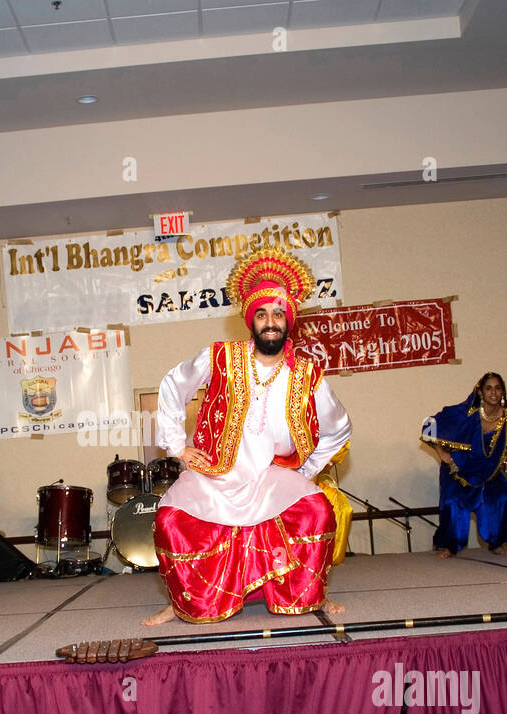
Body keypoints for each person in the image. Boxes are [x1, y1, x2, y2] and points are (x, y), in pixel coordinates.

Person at [143, 246, 352, 625]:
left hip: (269, 477)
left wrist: (306, 471)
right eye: (261, 314)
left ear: (288, 321)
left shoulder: (306, 375)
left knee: (317, 511)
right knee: (170, 521)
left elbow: (338, 429)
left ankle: (312, 594)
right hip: (216, 475)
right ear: (250, 321)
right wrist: (178, 446)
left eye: (277, 314)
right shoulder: (221, 356)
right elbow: (174, 384)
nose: (270, 321)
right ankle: (182, 604)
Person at [422, 372, 507, 557]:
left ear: (503, 393)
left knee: (502, 498)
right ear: (480, 392)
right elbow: (428, 426)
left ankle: (497, 543)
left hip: (488, 472)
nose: (494, 392)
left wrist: (505, 457)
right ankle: (449, 546)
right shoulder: (465, 413)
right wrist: (441, 453)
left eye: (498, 388)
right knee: (453, 502)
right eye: (489, 388)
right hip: (458, 469)